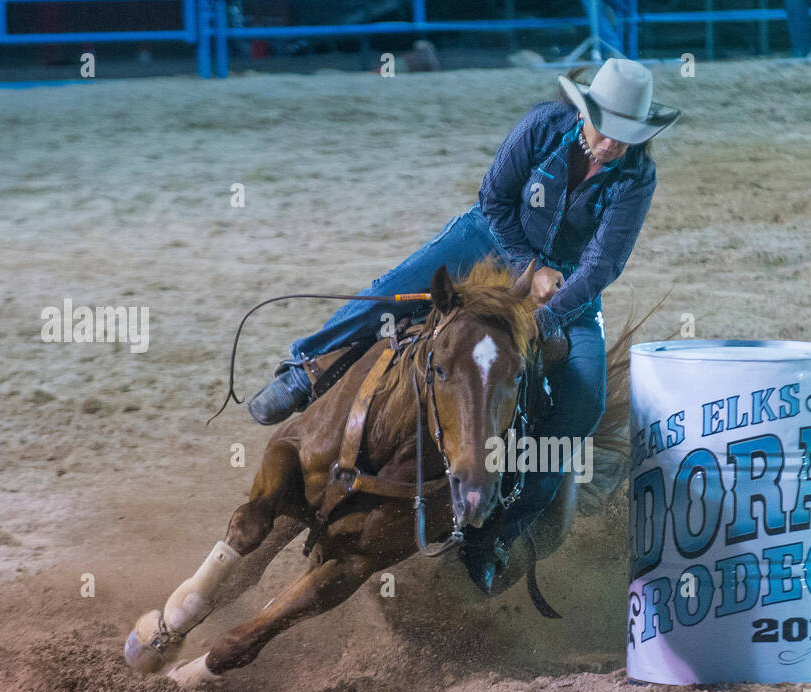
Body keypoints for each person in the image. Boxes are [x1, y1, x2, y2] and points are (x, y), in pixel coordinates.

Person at [247, 58, 680, 592]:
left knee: (583, 405)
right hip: (491, 240)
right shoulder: (543, 126)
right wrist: (527, 267)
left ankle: (497, 530)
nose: (614, 143)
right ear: (586, 110)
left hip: (565, 291)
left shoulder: (638, 176)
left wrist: (543, 312)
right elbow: (494, 200)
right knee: (390, 292)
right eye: (607, 128)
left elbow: (603, 265)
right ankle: (304, 369)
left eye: (626, 135)